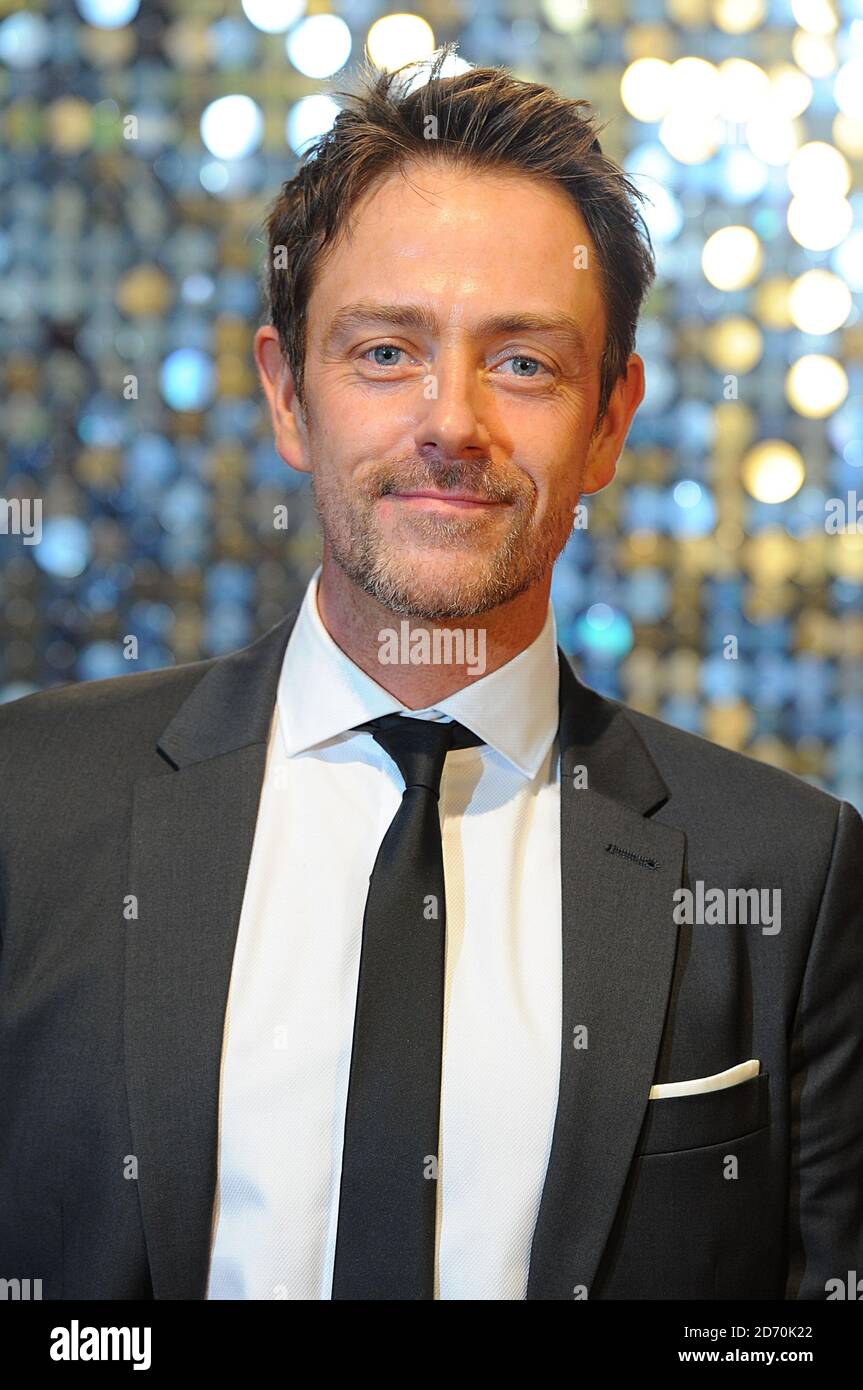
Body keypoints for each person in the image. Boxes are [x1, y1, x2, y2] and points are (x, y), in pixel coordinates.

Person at [0, 49, 860, 1302]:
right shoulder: (30, 806)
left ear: (610, 421)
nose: (450, 422)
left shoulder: (787, 874)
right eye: (385, 351)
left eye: (522, 362)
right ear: (287, 395)